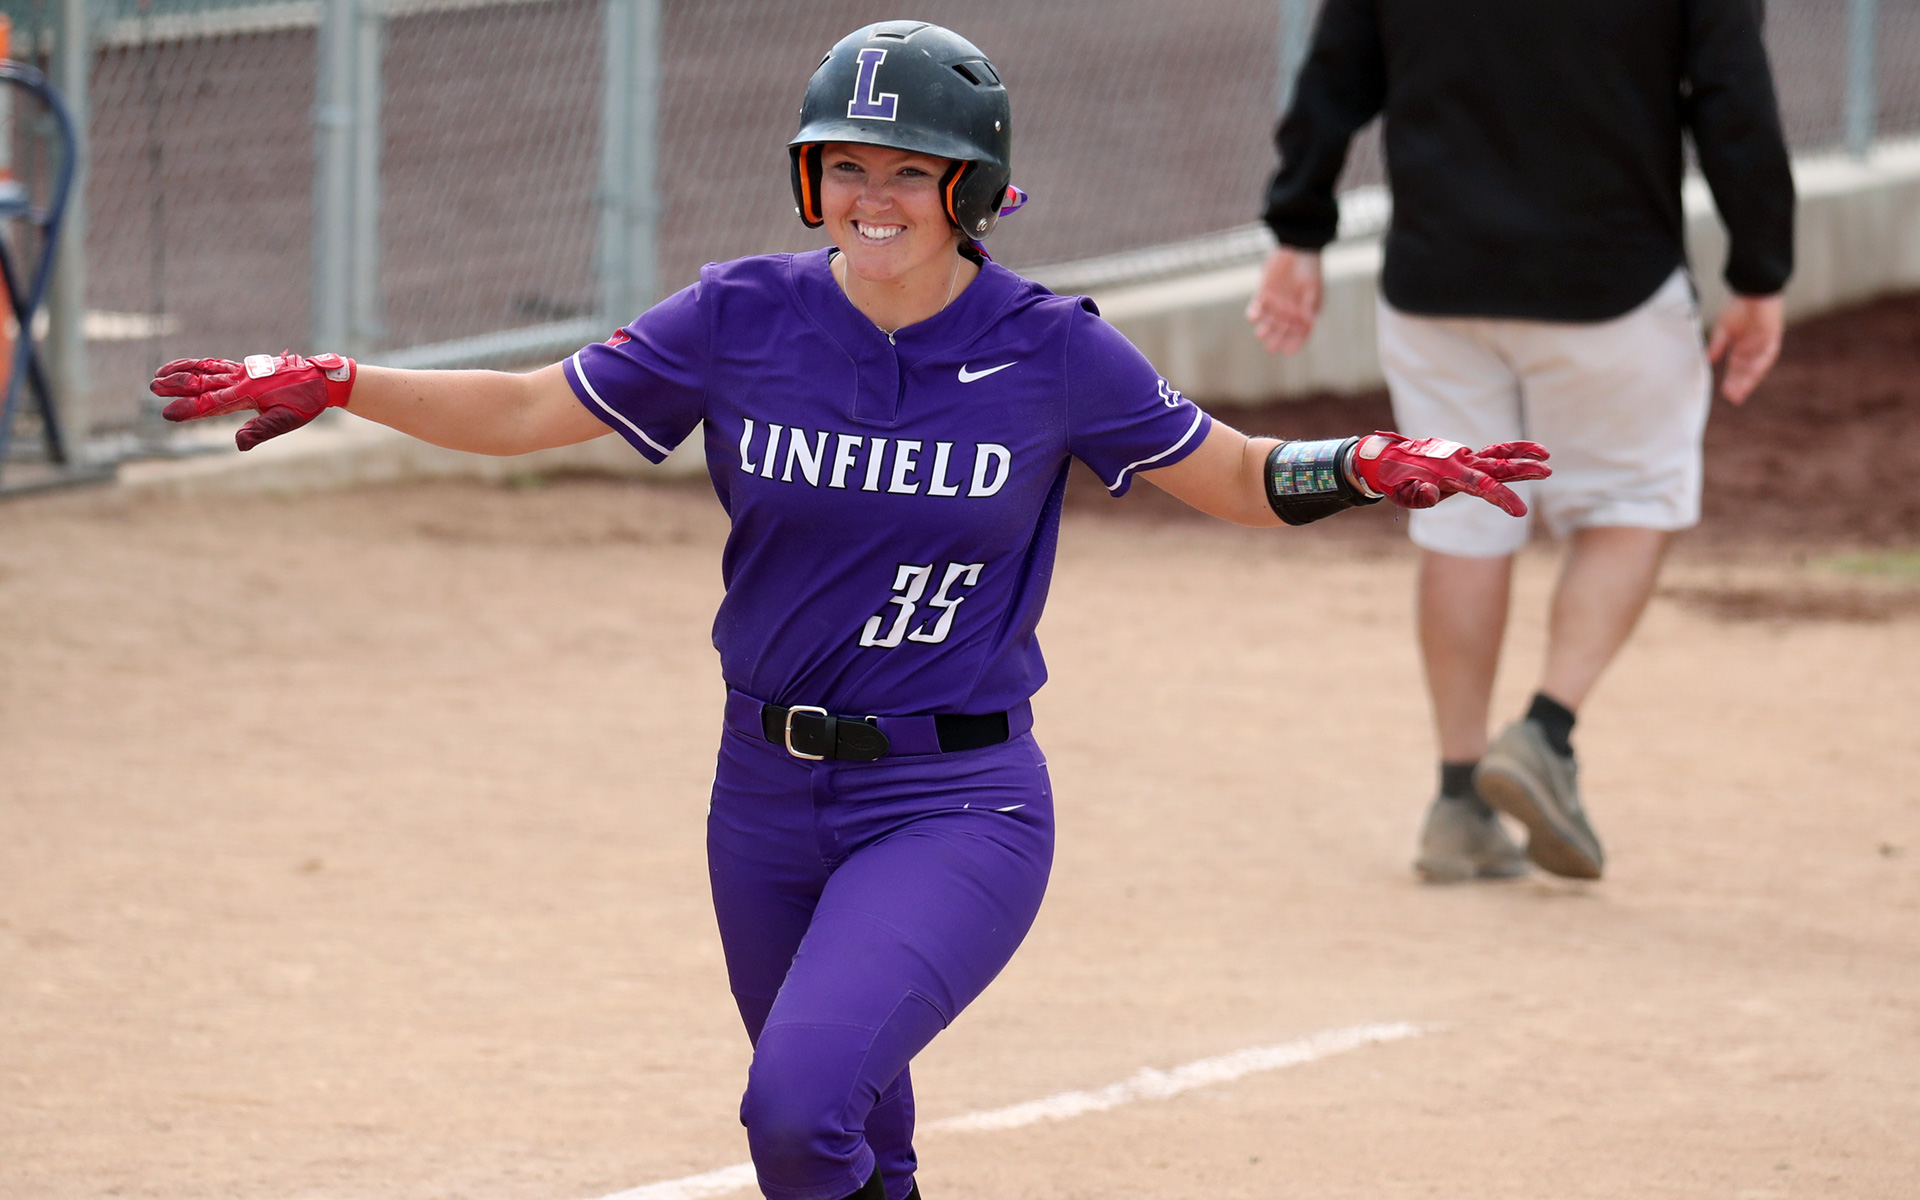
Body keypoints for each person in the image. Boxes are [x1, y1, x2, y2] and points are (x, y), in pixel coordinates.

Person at [154, 22, 1547, 1200]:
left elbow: (1232, 476)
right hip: (758, 794)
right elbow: (530, 405)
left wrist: (1364, 465)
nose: (872, 196)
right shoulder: (737, 316)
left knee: (793, 1104)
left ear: (975, 189)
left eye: (910, 172)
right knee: (851, 1142)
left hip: (955, 801)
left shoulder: (1051, 351)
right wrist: (343, 379)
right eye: (845, 167)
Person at [1247, 0, 1794, 883]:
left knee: (1462, 520)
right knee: (1631, 503)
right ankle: (1544, 732)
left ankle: (1458, 798)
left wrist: (1298, 231)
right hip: (1610, 278)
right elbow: (1732, 97)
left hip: (1436, 278)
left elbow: (1335, 74)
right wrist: (1760, 270)